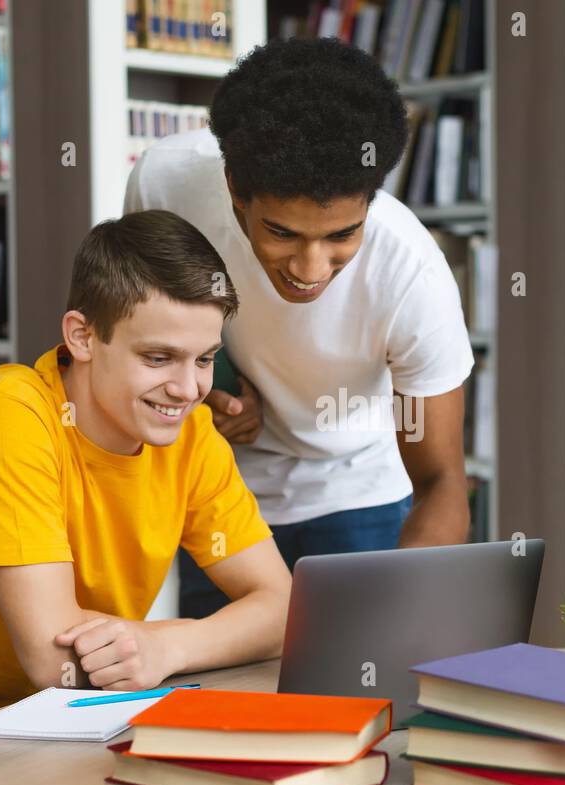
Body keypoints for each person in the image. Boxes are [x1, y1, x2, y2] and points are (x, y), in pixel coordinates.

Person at [0, 210, 291, 785]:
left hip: (90, 715)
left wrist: (168, 645)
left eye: (205, 359)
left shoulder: (191, 437)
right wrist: (166, 644)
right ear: (82, 337)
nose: (188, 389)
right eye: (159, 357)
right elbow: (51, 658)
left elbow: (280, 606)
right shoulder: (8, 417)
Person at [125, 38, 476, 618]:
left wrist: (405, 599)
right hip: (221, 498)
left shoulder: (411, 273)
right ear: (236, 188)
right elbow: (150, 324)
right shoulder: (167, 186)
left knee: (359, 689)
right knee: (222, 696)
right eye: (283, 233)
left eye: (342, 235)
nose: (311, 271)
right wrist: (211, 389)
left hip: (357, 494)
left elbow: (442, 480)